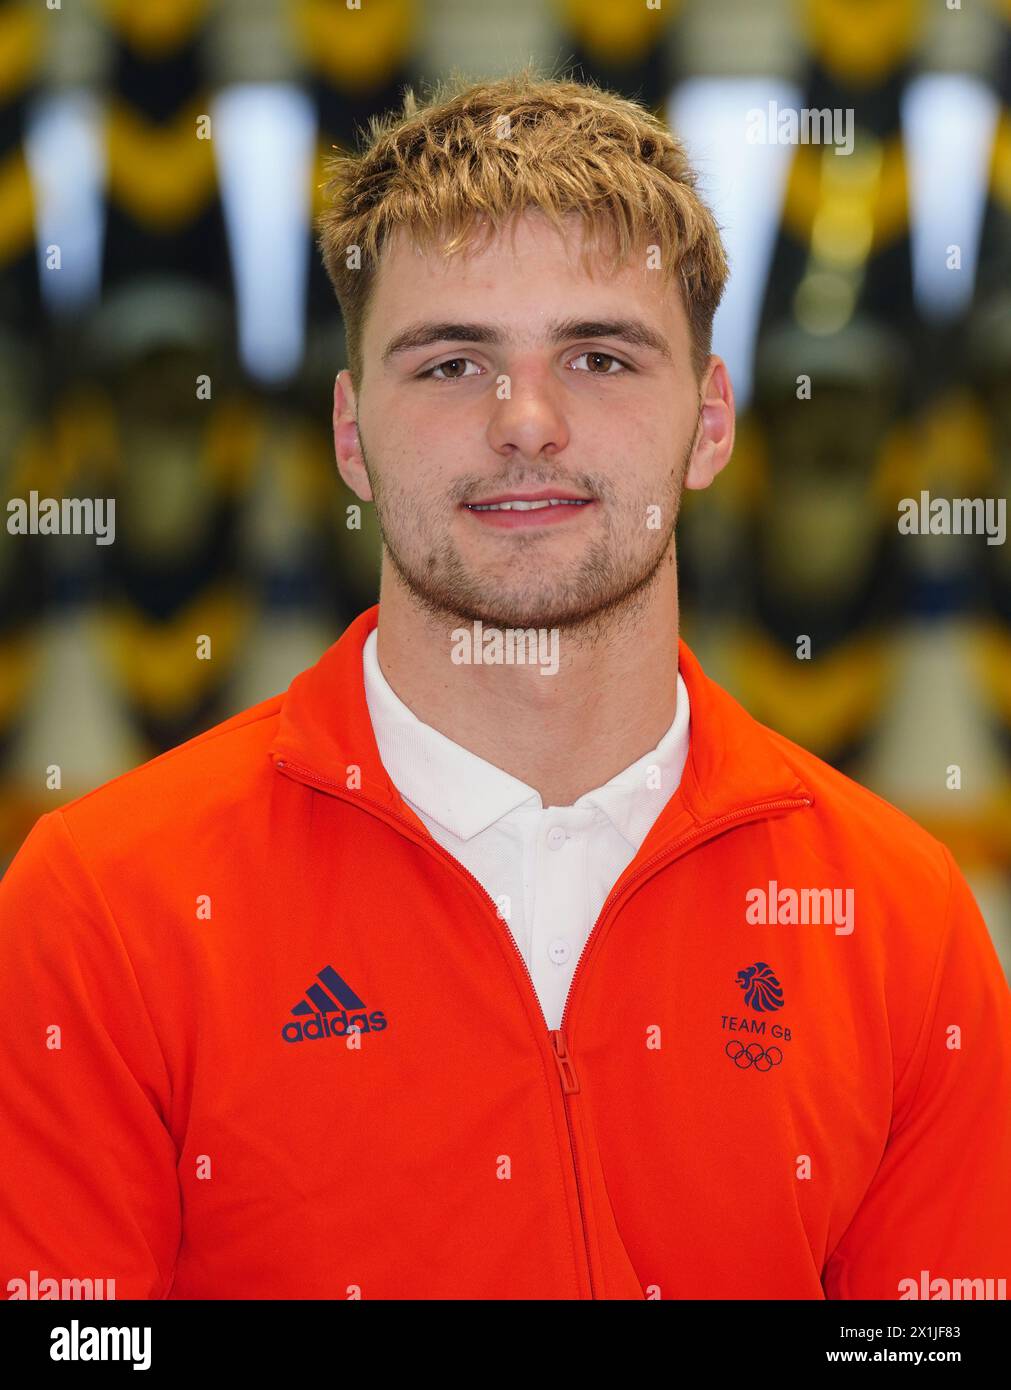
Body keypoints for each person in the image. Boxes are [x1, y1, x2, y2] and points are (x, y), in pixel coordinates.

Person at [2, 68, 1010, 1302]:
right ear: (350, 434)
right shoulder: (102, 913)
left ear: (711, 423)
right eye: (448, 364)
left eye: (599, 356)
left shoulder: (900, 926)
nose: (525, 420)